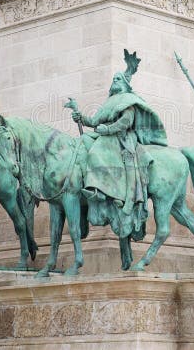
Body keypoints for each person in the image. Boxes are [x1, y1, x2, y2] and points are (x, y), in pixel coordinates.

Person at [72, 49, 167, 237]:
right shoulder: (110, 101)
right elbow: (94, 121)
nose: (114, 80)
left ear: (124, 83)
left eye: (118, 79)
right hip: (104, 134)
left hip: (121, 137)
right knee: (82, 141)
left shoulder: (128, 99)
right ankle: (89, 184)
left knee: (98, 152)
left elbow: (127, 121)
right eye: (113, 78)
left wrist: (108, 129)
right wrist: (79, 116)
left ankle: (107, 191)